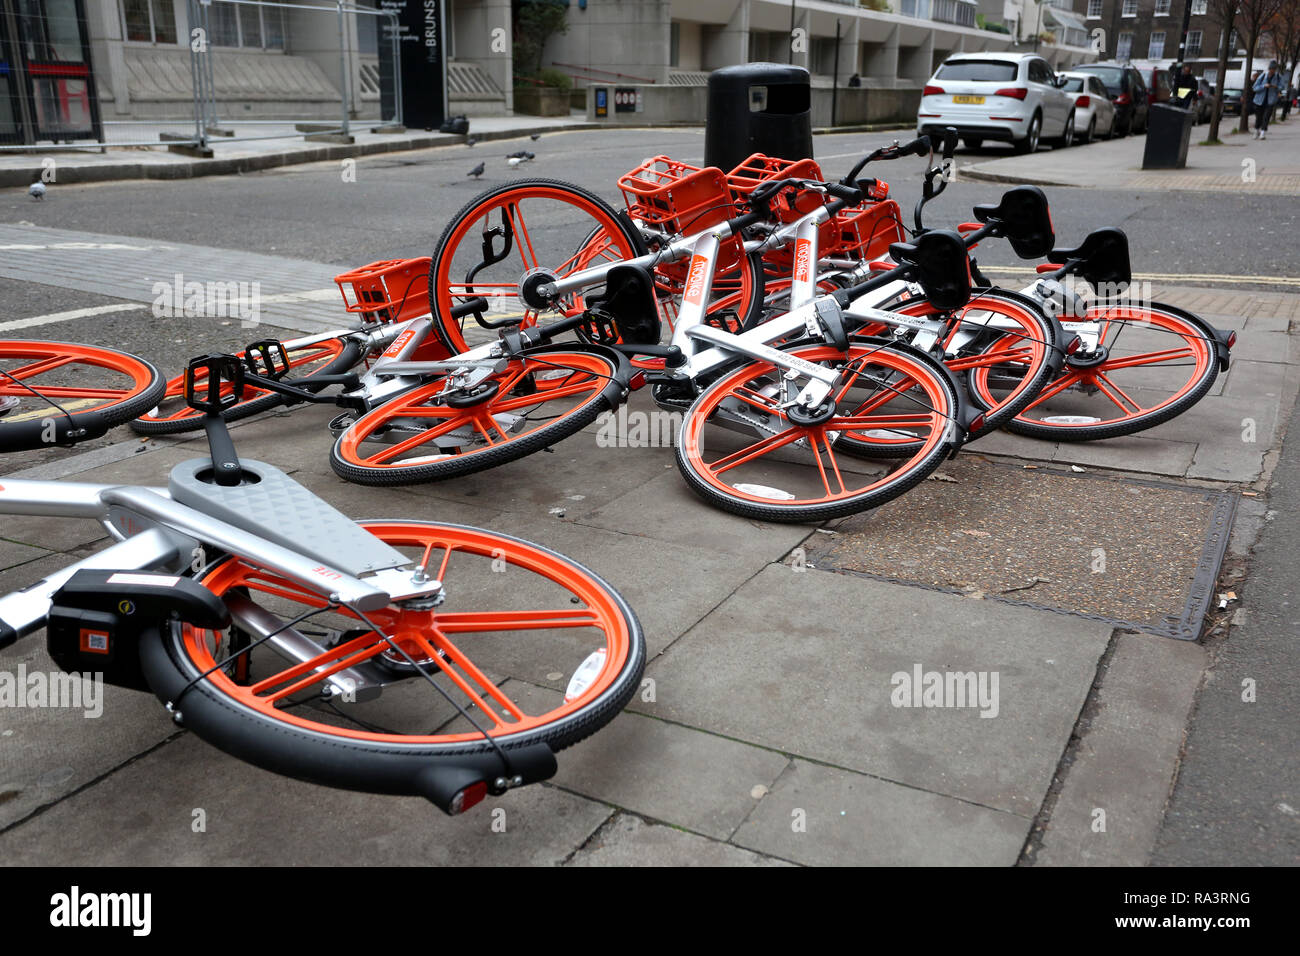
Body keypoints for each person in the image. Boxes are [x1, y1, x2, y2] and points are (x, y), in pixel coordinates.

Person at [1252, 61, 1282, 139]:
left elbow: (1282, 86)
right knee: (1259, 117)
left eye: (1274, 69)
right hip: (1259, 101)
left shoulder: (1278, 77)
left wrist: (1276, 87)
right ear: (1269, 69)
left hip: (1270, 101)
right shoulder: (1262, 76)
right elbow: (1254, 88)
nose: (1272, 71)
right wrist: (1264, 86)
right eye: (1271, 69)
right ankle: (1256, 130)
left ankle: (1263, 133)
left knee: (1266, 117)